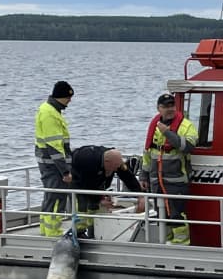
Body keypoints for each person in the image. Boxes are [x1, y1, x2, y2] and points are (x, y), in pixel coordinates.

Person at [139, 93, 198, 245]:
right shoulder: (154, 126)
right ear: (158, 108)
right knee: (161, 215)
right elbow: (147, 153)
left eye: (172, 105)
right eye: (165, 106)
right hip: (156, 181)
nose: (169, 109)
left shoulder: (186, 126)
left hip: (176, 181)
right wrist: (143, 176)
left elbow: (188, 146)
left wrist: (167, 132)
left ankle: (182, 246)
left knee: (176, 215)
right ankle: (167, 243)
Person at [69, 146, 144, 239]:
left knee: (96, 208)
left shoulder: (115, 161)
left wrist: (140, 195)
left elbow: (127, 177)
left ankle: (93, 231)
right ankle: (78, 232)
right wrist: (100, 199)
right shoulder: (88, 162)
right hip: (80, 180)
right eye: (115, 168)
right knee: (83, 205)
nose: (116, 170)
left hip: (96, 181)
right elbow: (87, 185)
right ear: (107, 162)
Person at [35, 81, 74, 237]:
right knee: (57, 195)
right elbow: (54, 146)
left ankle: (46, 228)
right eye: (68, 97)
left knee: (50, 195)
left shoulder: (50, 110)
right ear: (61, 97)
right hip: (53, 163)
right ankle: (53, 231)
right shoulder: (50, 114)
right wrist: (65, 171)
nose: (70, 101)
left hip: (49, 162)